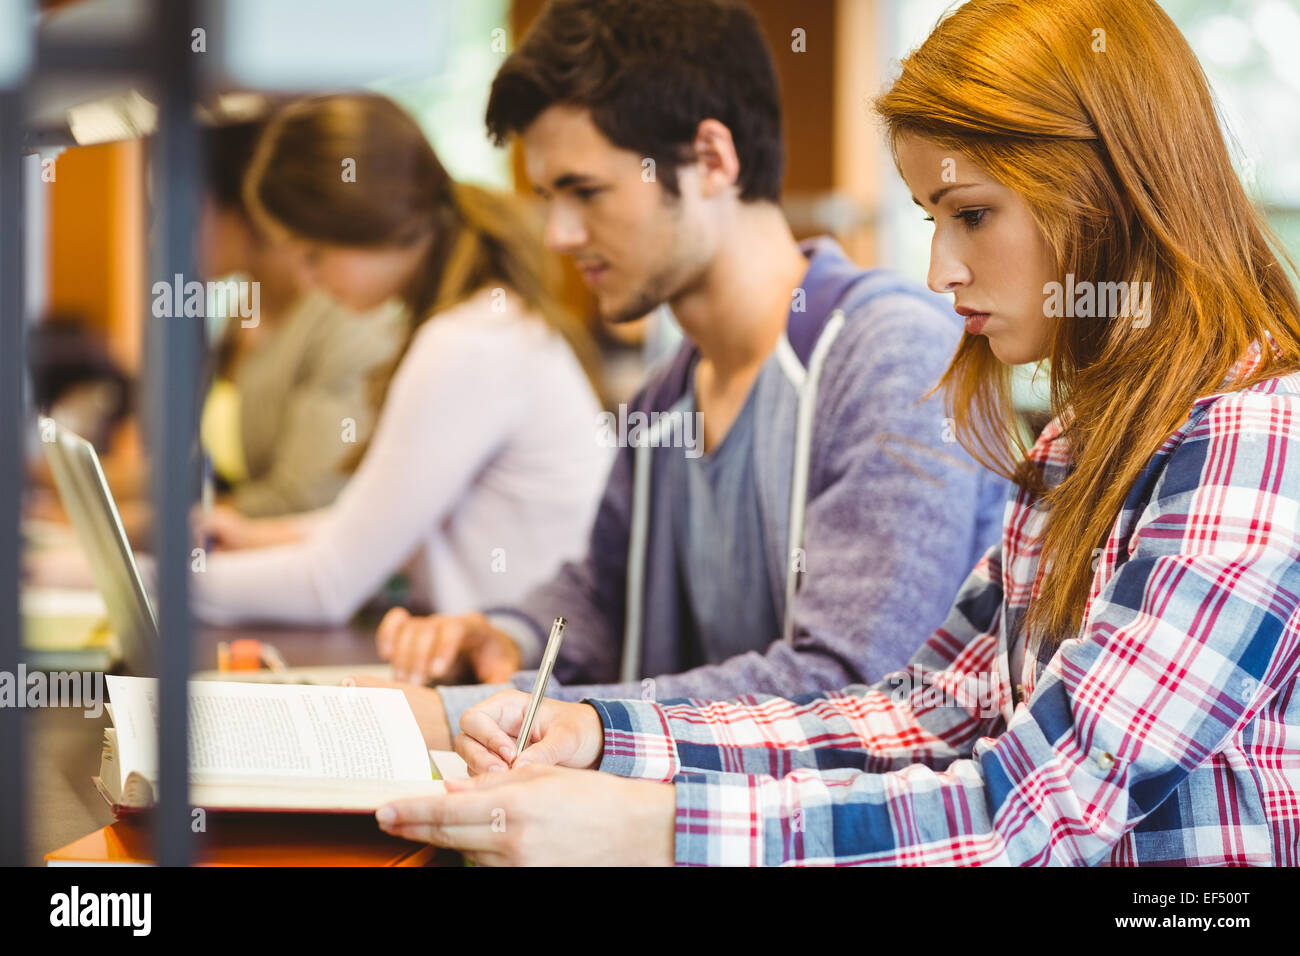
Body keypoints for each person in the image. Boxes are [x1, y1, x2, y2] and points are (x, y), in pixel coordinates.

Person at [376, 0, 1300, 866]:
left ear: (1105, 189)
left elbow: (1035, 812)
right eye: (934, 220)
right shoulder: (1074, 444)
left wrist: (650, 826)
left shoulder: (1254, 438)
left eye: (972, 214)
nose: (942, 269)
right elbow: (922, 712)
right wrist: (607, 736)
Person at [366, 0, 1010, 752]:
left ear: (712, 160)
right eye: (547, 199)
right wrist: (505, 636)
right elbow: (600, 598)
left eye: (585, 191)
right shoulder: (668, 395)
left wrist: (475, 715)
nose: (560, 236)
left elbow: (849, 688)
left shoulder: (891, 356)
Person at [184, 93, 610, 625]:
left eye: (314, 255)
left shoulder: (470, 341)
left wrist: (157, 582)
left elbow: (329, 583)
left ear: (371, 224)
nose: (310, 281)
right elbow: (385, 523)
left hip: (529, 673)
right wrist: (266, 535)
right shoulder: (474, 324)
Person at [197, 119, 405, 519]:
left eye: (188, 209)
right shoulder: (245, 309)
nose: (163, 230)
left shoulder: (345, 318)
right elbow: (199, 472)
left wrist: (155, 527)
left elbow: (304, 498)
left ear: (245, 212)